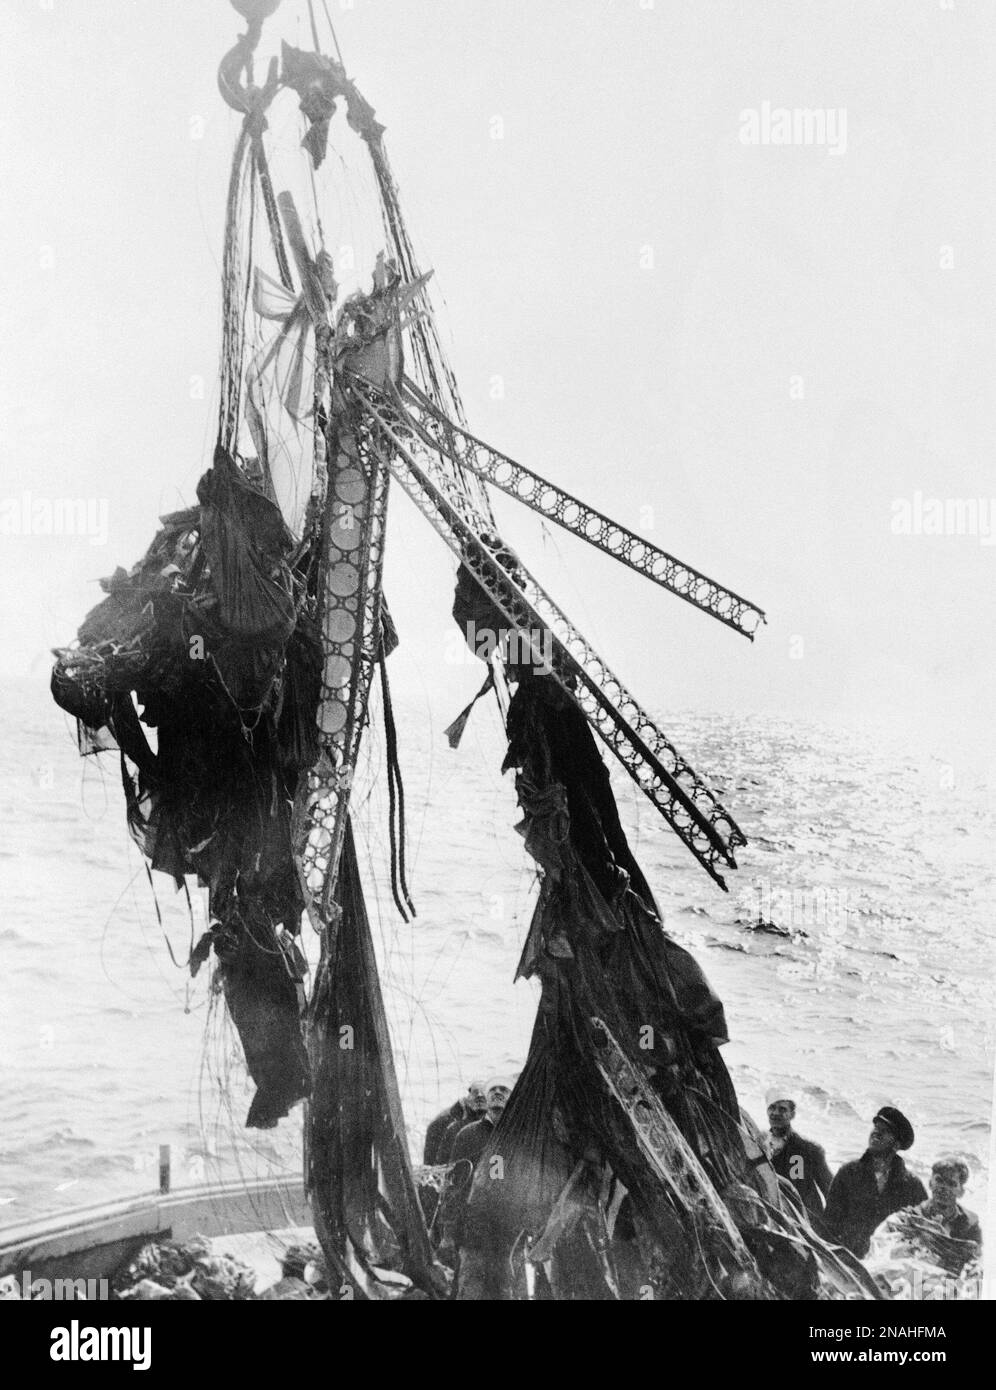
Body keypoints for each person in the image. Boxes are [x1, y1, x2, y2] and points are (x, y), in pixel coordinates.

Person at [823, 1106, 927, 1258]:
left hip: (889, 1265)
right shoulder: (848, 1173)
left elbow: (923, 1231)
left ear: (897, 1145)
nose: (876, 1133)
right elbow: (829, 1223)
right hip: (849, 1261)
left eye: (885, 1131)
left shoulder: (912, 1185)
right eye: (875, 1128)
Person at [871, 1157, 981, 1274]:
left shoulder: (969, 1223)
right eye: (939, 1180)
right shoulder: (908, 1217)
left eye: (952, 1184)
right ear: (930, 1183)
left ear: (961, 1191)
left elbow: (976, 1262)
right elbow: (881, 1248)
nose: (944, 1188)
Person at [765, 1089, 834, 1221]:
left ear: (792, 1114)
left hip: (807, 1221)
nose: (776, 1113)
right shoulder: (760, 1145)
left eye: (782, 1109)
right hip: (776, 1216)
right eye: (772, 1108)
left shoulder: (810, 1149)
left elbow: (831, 1192)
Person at [423, 1082, 486, 1165]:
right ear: (468, 1098)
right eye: (475, 1093)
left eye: (483, 1093)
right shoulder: (447, 1124)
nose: (479, 1095)